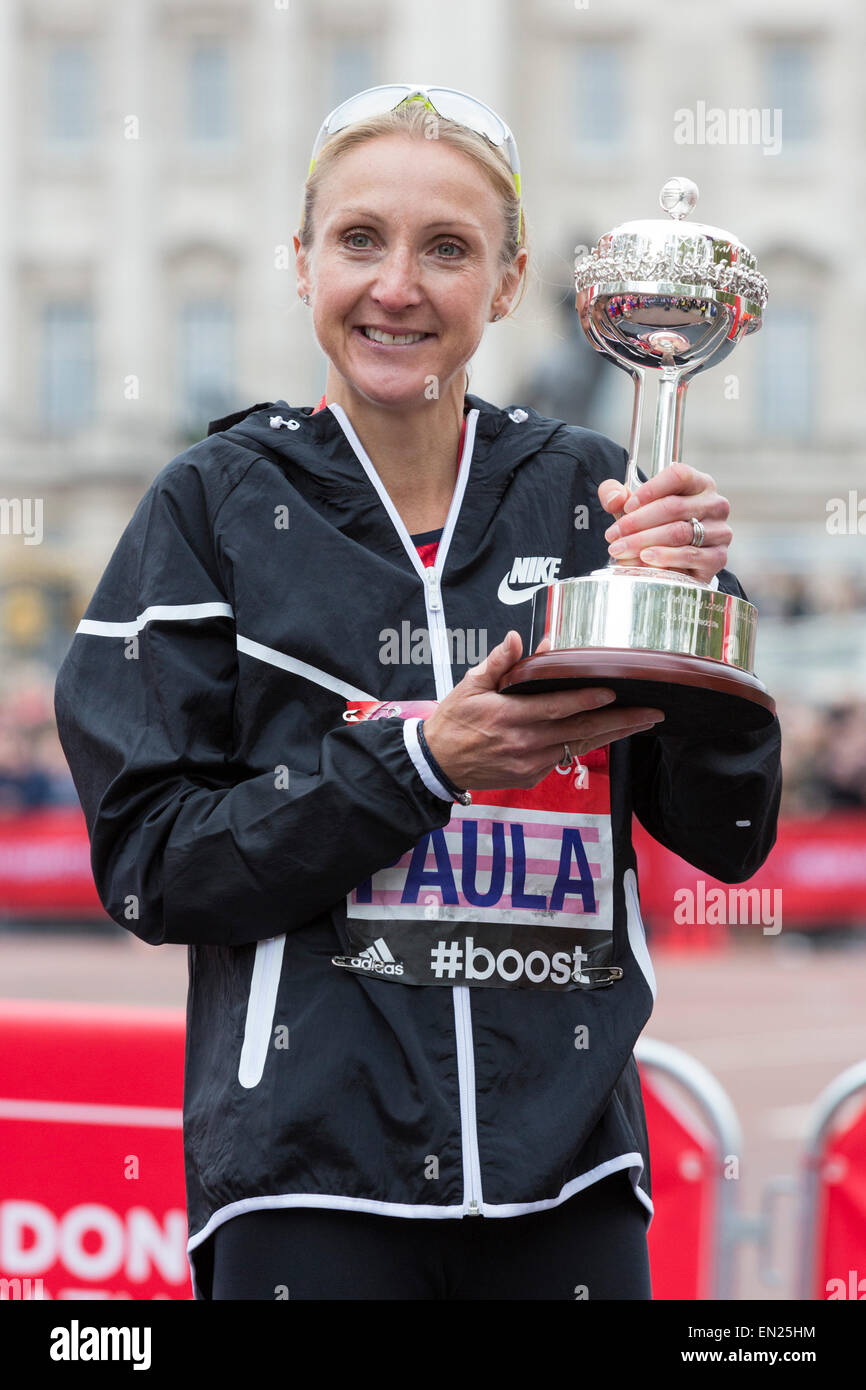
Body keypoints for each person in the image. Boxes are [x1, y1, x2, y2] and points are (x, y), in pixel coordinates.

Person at [53, 85, 782, 1301]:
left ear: (506, 285)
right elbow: (154, 863)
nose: (397, 286)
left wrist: (697, 631)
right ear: (300, 262)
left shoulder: (596, 494)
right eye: (359, 240)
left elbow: (729, 833)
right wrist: (420, 763)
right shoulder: (209, 507)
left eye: (446, 248)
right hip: (310, 1179)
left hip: (570, 1180)